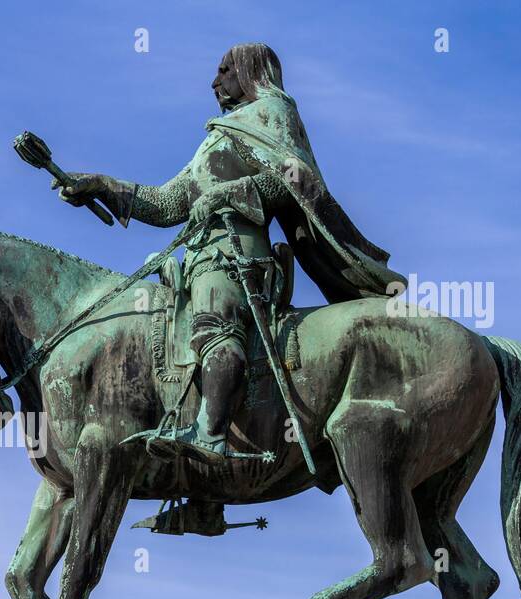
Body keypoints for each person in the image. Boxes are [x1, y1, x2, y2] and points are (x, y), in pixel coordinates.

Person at [59, 42, 405, 463]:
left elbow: (295, 182)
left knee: (215, 325)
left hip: (237, 254)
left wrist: (230, 192)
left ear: (249, 70)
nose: (215, 80)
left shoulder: (273, 113)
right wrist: (102, 184)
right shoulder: (218, 136)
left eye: (225, 70)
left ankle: (211, 435)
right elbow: (169, 201)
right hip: (200, 254)